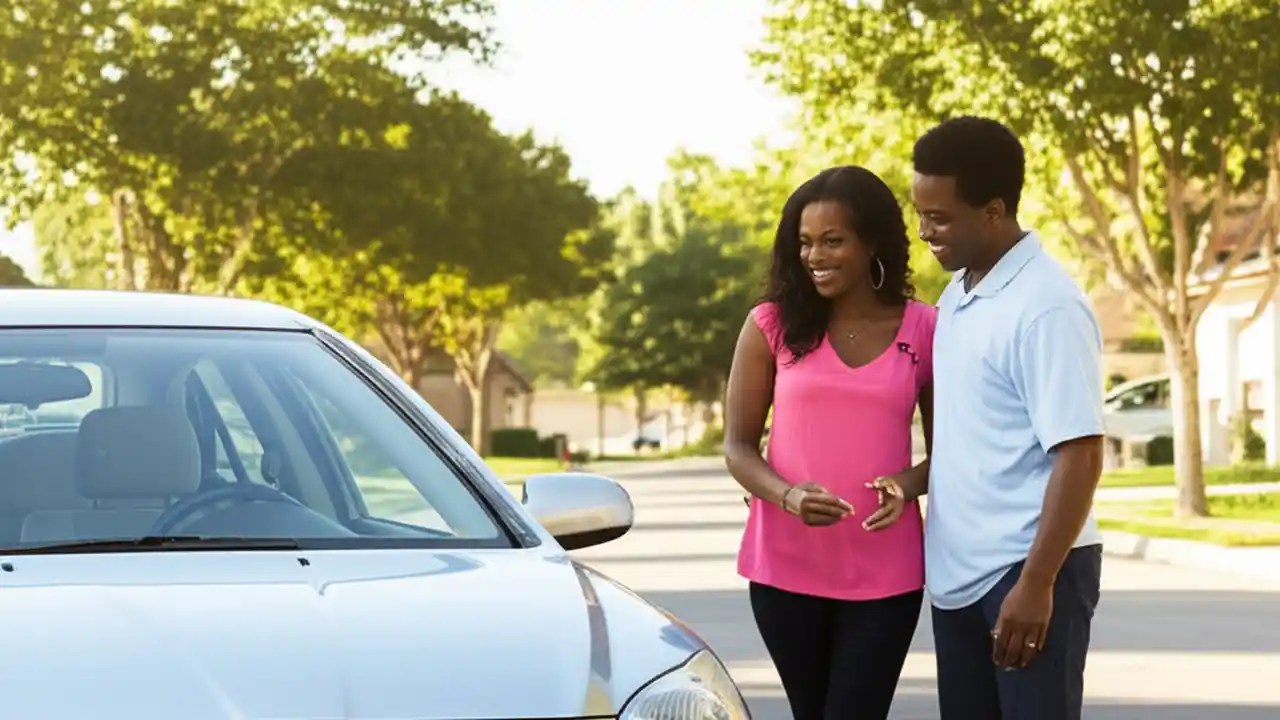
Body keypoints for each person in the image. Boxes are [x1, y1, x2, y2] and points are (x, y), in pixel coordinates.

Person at [910, 116, 1105, 719]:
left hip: (1026, 572)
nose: (924, 232)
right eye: (920, 214)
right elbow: (974, 438)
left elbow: (1081, 454)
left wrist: (1038, 581)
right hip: (960, 580)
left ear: (993, 211)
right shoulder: (961, 292)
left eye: (939, 218)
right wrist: (906, 481)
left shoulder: (1045, 306)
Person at [724, 165, 936, 720]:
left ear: (872, 243)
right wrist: (789, 496)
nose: (815, 256)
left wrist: (907, 484)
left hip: (887, 573)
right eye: (805, 242)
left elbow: (949, 455)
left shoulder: (926, 329)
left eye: (832, 240)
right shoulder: (769, 325)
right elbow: (738, 448)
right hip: (785, 567)